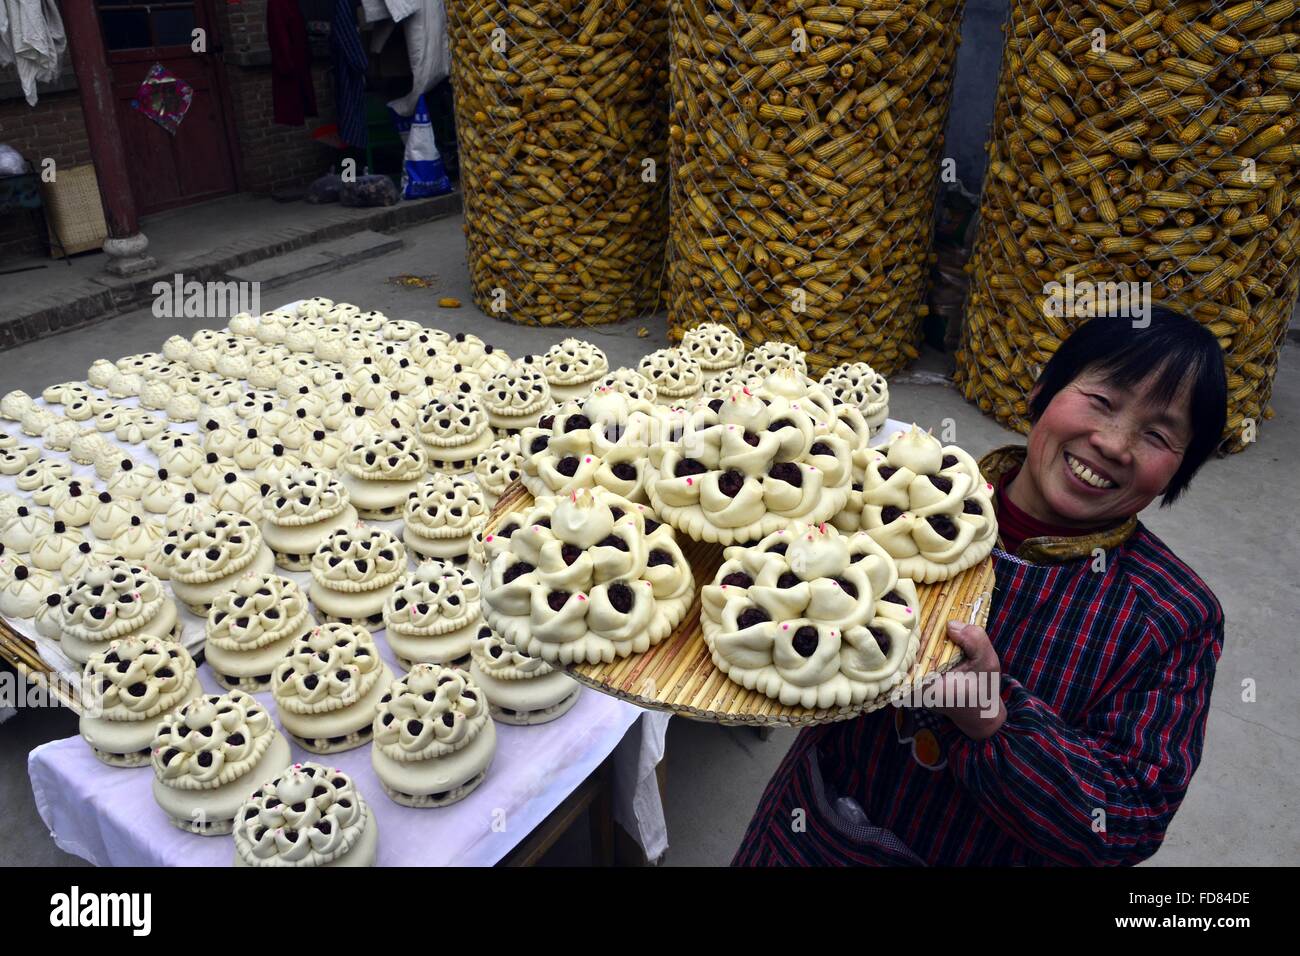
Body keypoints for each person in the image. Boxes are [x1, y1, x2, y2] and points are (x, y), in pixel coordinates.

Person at [733, 306, 1228, 866]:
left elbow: (1128, 820)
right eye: (1102, 401)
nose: (1114, 443)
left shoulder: (1171, 616)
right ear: (1043, 390)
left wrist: (992, 718)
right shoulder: (884, 500)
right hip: (814, 834)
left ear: (1180, 472)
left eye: (1158, 434)